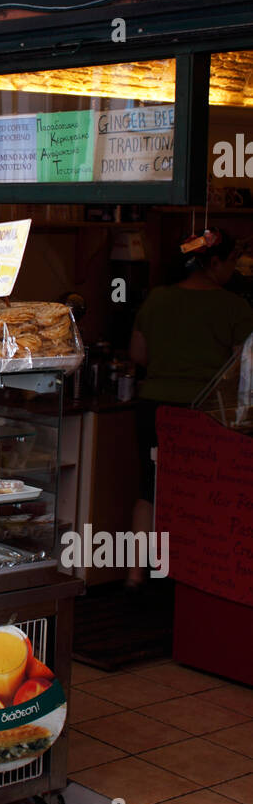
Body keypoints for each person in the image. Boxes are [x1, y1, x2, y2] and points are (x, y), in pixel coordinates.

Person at [127, 229, 253, 587]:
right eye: (231, 261)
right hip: (204, 414)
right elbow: (242, 369)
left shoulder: (158, 298)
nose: (233, 269)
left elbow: (138, 354)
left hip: (154, 408)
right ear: (214, 263)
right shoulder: (235, 307)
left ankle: (135, 575)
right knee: (200, 495)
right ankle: (191, 577)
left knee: (149, 489)